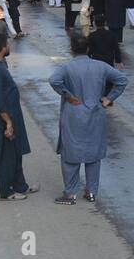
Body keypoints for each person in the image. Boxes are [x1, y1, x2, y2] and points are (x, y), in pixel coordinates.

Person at [49, 32, 128, 204]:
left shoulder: (68, 68)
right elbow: (121, 80)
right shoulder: (100, 66)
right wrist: (108, 98)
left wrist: (68, 95)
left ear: (71, 50)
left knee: (70, 153)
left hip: (73, 114)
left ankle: (70, 193)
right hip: (95, 113)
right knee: (93, 154)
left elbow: (54, 80)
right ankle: (91, 192)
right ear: (88, 49)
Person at [0, 36, 38, 200]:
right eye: (7, 45)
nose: (9, 47)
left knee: (15, 152)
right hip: (3, 118)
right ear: (2, 48)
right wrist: (7, 122)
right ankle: (6, 191)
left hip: (11, 114)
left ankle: (20, 185)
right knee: (6, 155)